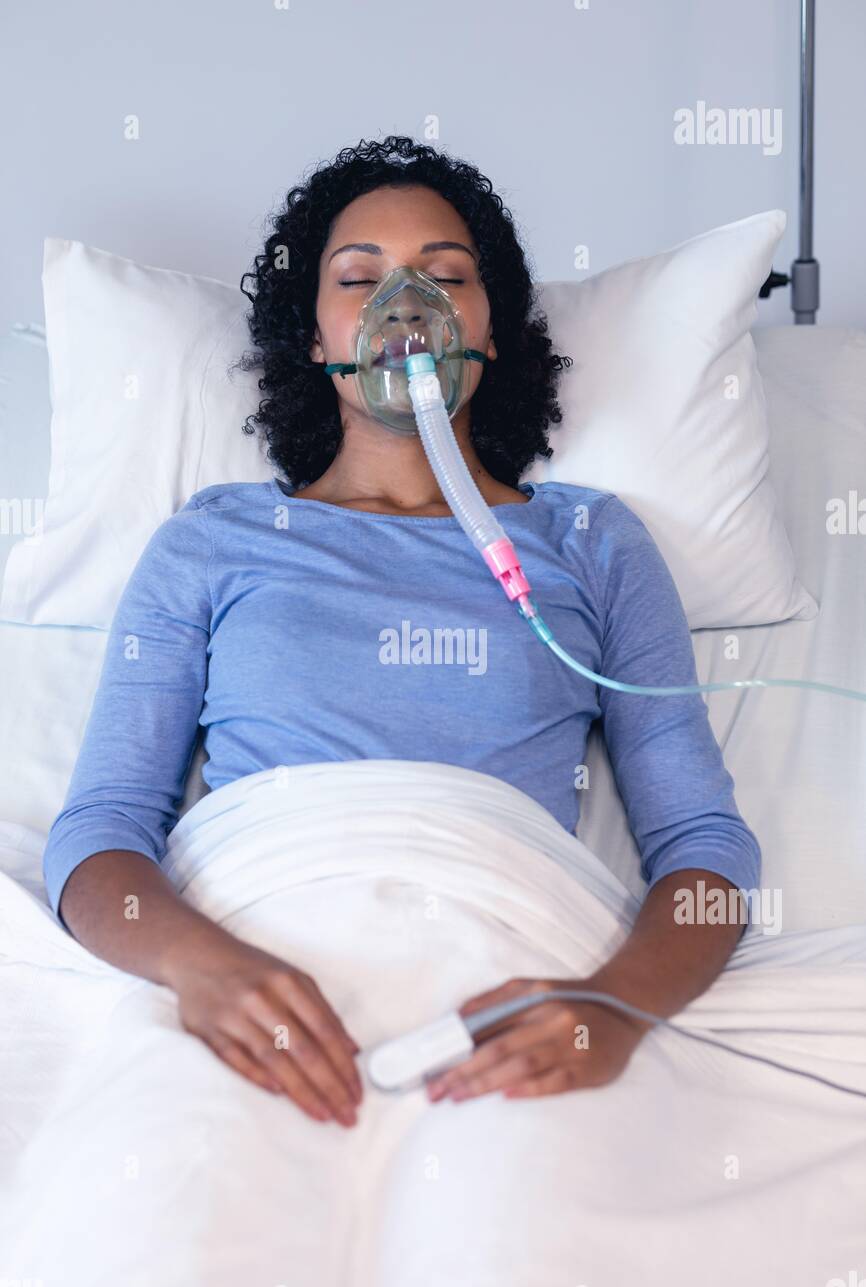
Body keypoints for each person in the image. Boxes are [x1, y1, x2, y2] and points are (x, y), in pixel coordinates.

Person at [43, 134, 760, 1133]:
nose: (403, 305)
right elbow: (99, 830)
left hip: (504, 985)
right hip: (253, 976)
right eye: (359, 277)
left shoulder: (590, 541)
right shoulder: (212, 540)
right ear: (314, 334)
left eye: (444, 275)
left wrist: (610, 1008)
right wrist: (199, 966)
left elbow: (704, 851)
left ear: (490, 327)